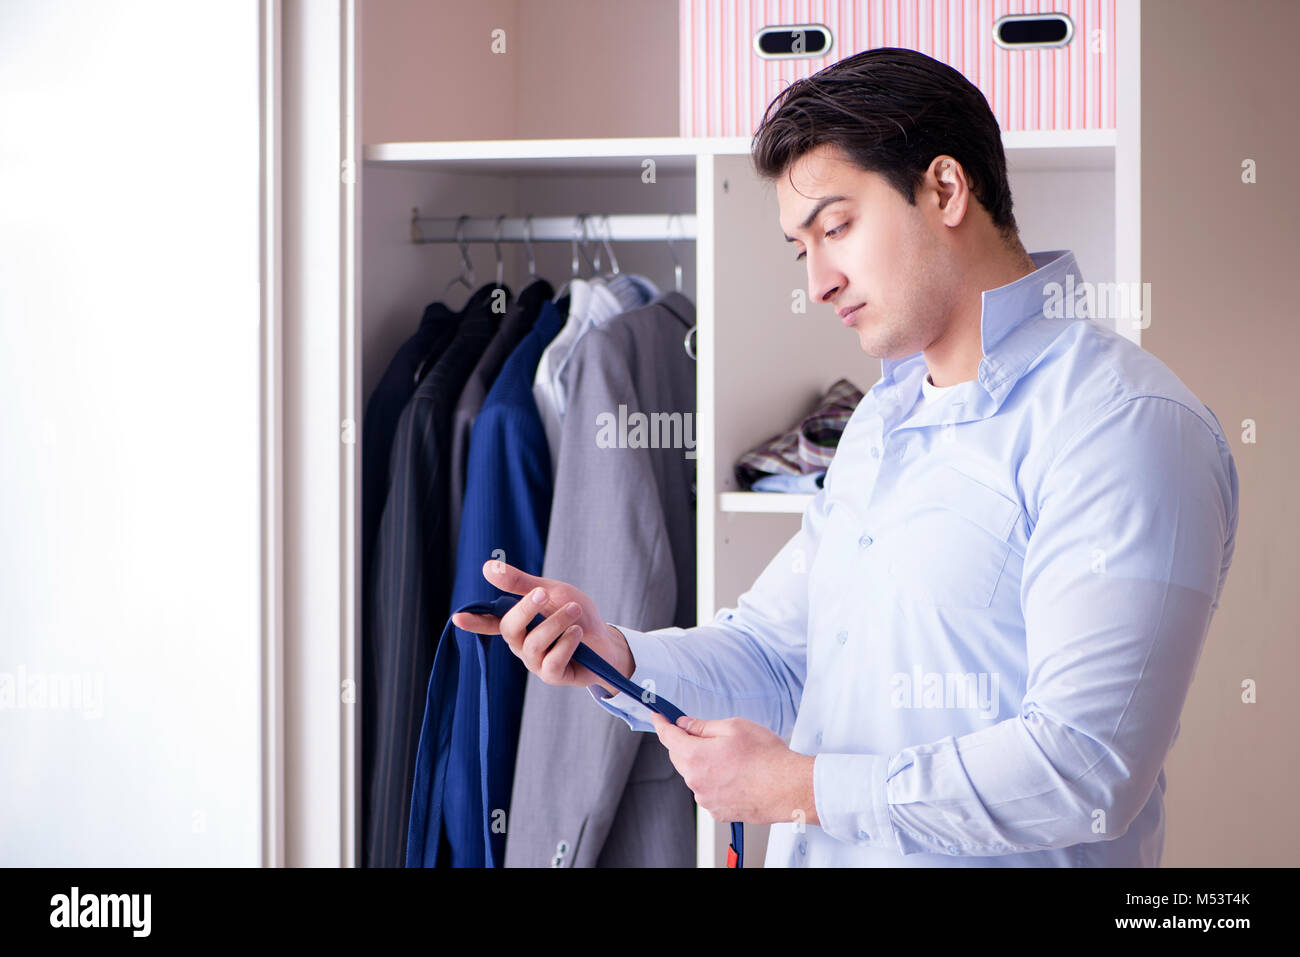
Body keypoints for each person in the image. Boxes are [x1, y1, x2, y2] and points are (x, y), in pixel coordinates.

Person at [451, 48, 1239, 867]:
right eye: (802, 248)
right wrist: (617, 654)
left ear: (944, 189)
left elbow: (1086, 767)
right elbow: (778, 656)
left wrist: (804, 788)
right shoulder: (879, 423)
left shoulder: (1126, 426)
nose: (819, 280)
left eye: (837, 226)